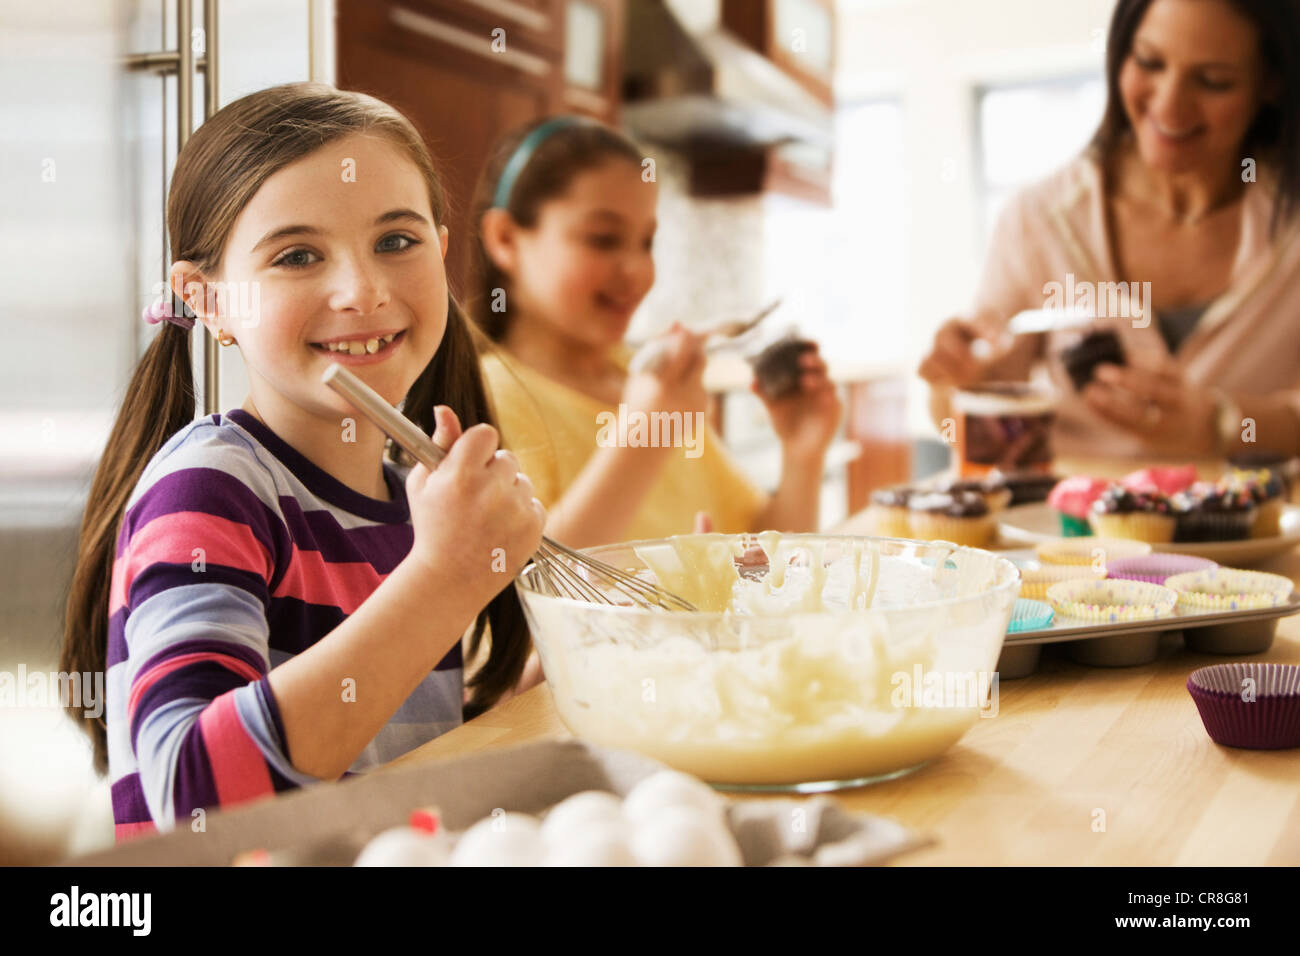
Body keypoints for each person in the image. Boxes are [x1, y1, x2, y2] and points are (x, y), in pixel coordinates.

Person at [59, 83, 544, 839]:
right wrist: (443, 583)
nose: (363, 289)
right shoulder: (211, 490)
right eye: (296, 256)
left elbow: (372, 760)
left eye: (396, 241)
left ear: (442, 254)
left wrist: (520, 696)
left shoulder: (405, 501)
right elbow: (192, 800)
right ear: (208, 301)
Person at [921, 0, 1300, 461]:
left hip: (1268, 530)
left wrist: (1224, 425)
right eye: (1149, 62)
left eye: (1213, 81)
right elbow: (970, 428)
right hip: (1071, 528)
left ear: (1272, 83)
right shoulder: (1040, 218)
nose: (1170, 107)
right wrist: (960, 383)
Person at [468, 116, 843, 549]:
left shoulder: (648, 381)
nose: (637, 270)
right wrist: (645, 434)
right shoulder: (489, 394)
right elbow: (532, 582)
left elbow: (763, 554)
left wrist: (802, 454)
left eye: (646, 242)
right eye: (603, 238)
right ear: (505, 239)